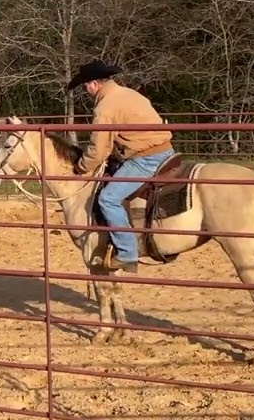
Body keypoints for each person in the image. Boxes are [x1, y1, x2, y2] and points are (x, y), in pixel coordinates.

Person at [67, 60, 174, 273]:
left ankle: (127, 253)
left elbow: (98, 149)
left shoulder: (105, 107)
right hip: (164, 150)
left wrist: (81, 166)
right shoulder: (129, 94)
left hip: (145, 158)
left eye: (85, 86)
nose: (86, 90)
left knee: (108, 199)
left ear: (94, 84)